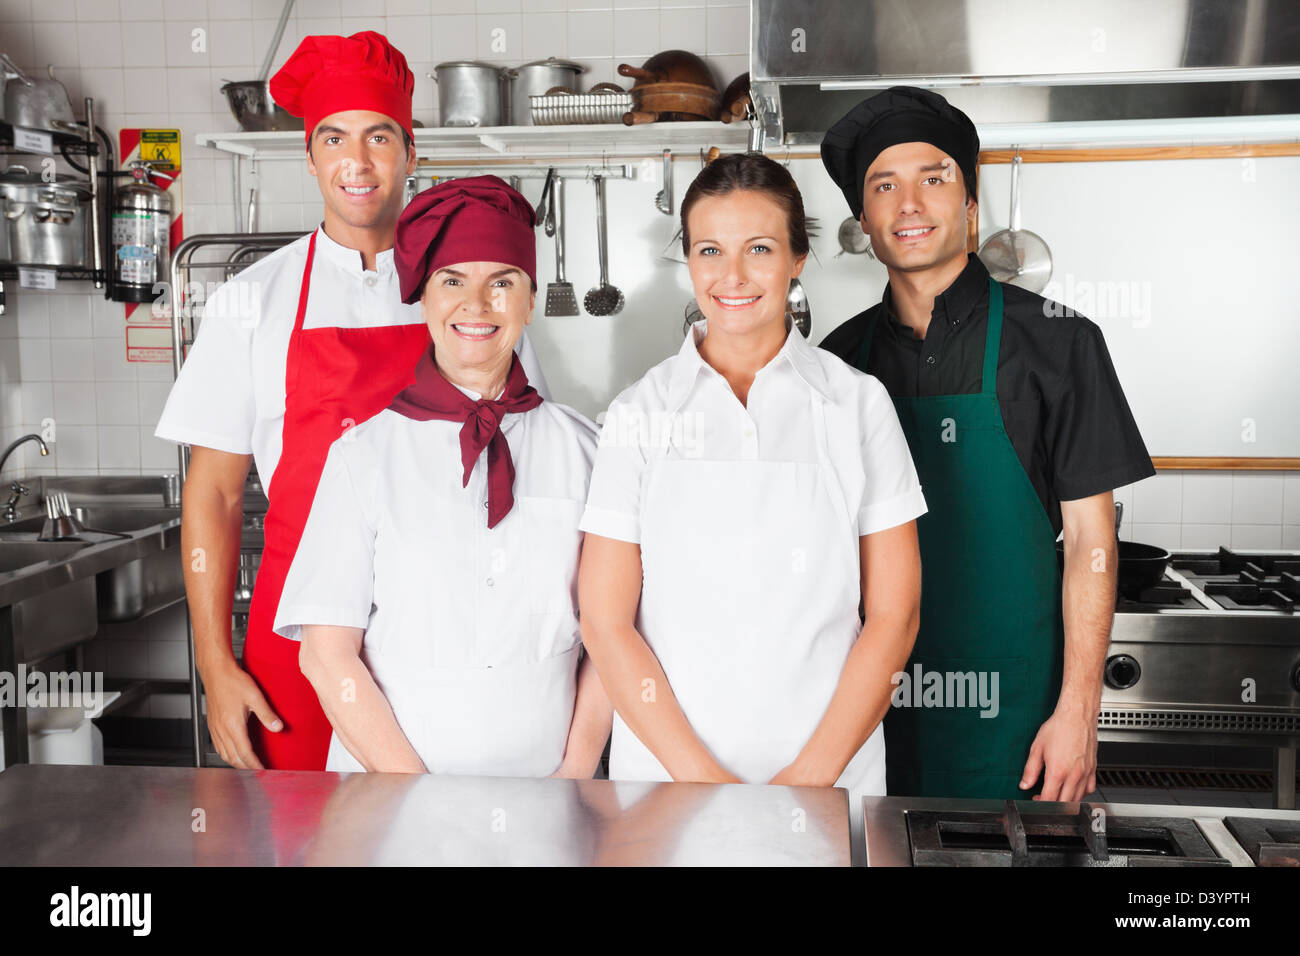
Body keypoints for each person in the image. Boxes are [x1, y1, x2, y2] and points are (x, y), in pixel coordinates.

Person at [154, 32, 550, 771]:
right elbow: (211, 493)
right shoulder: (253, 299)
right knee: (297, 842)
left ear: (410, 147)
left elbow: (524, 460)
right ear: (308, 155)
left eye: (378, 137)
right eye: (333, 138)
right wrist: (215, 663)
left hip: (438, 635)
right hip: (293, 639)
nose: (356, 163)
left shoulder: (472, 301)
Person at [819, 87, 1156, 802]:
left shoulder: (1062, 341)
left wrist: (1079, 714)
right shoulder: (834, 362)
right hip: (866, 717)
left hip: (1020, 720)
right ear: (865, 224)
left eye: (933, 178)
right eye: (885, 186)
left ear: (971, 211)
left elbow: (1093, 541)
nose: (909, 203)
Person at [578, 153, 925, 842]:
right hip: (666, 790)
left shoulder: (857, 404)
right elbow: (606, 622)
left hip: (831, 790)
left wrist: (807, 783)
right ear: (688, 260)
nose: (731, 277)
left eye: (759, 249)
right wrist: (708, 787)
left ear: (798, 257)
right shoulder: (639, 412)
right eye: (710, 250)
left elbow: (896, 613)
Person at [273, 176, 610, 779]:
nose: (476, 306)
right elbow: (328, 658)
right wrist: (417, 797)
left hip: (547, 797)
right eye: (452, 281)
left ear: (529, 300)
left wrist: (575, 776)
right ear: (423, 298)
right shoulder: (363, 456)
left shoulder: (587, 450)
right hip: (387, 796)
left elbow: (613, 640)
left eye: (501, 282)